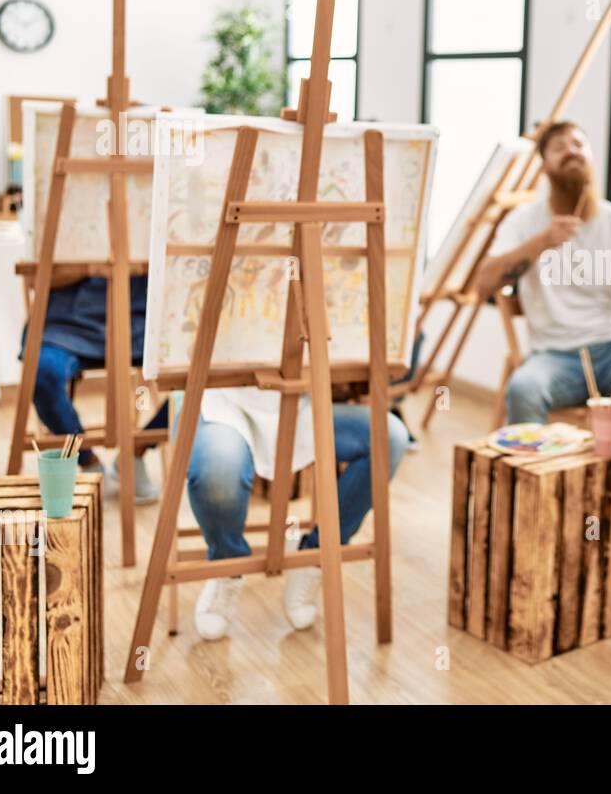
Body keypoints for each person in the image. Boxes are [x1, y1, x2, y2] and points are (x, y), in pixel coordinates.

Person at [475, 121, 611, 565]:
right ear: (544, 165)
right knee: (523, 388)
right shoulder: (523, 221)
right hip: (553, 357)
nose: (571, 151)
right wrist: (539, 243)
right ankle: (535, 508)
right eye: (558, 147)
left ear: (591, 156)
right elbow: (483, 284)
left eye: (578, 143)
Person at [184, 387, 411, 640]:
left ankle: (314, 553)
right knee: (218, 471)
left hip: (302, 402)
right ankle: (226, 567)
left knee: (389, 437)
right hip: (222, 402)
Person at [26, 273, 164, 502]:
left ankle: (136, 451)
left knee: (200, 373)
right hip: (66, 322)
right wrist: (87, 265)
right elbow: (33, 279)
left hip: (139, 318)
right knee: (41, 375)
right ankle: (87, 460)